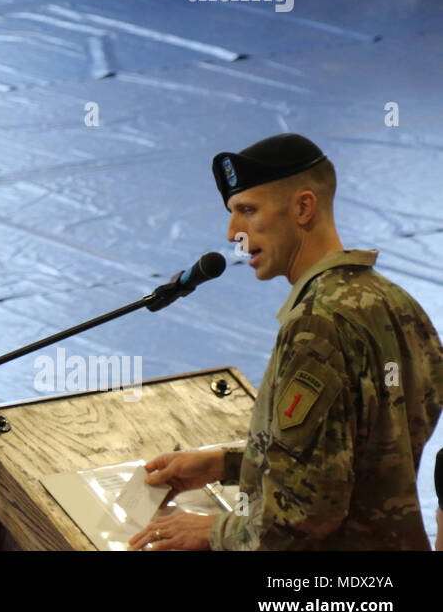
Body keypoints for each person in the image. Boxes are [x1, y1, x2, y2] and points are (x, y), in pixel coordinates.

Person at [129, 134, 443, 550]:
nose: (232, 233)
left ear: (302, 207)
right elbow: (356, 454)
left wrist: (215, 532)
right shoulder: (396, 303)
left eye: (248, 210)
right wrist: (226, 464)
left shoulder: (317, 324)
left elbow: (303, 515)